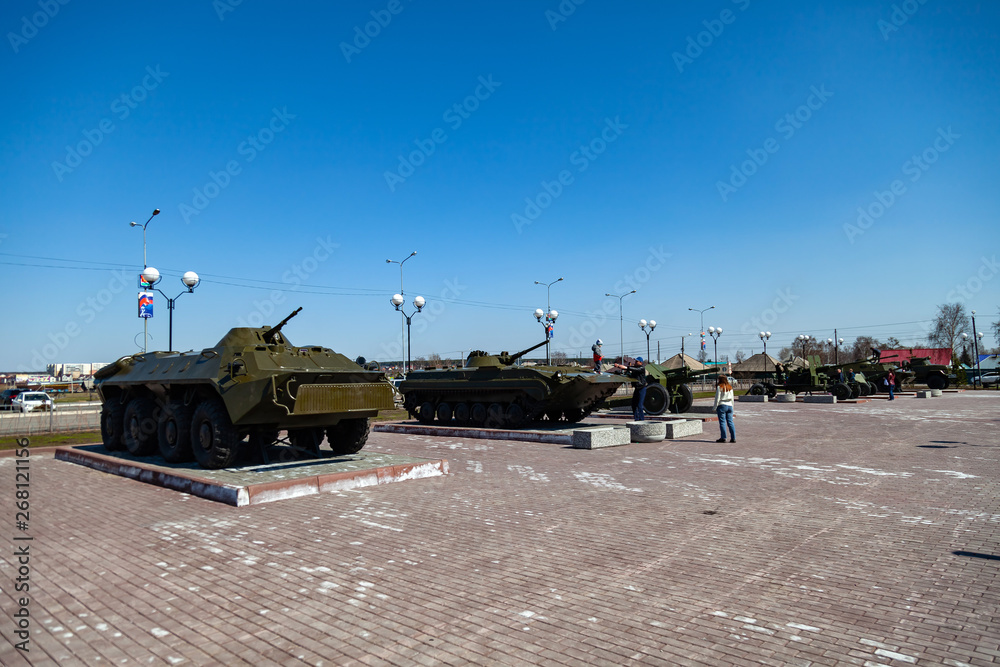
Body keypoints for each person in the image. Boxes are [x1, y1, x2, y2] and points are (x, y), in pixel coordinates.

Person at [714, 374, 735, 443]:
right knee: (730, 422)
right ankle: (733, 438)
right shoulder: (730, 387)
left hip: (722, 405)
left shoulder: (719, 387)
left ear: (720, 380)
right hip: (730, 405)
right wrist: (732, 407)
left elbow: (717, 398)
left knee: (722, 422)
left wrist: (715, 407)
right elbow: (732, 398)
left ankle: (723, 437)